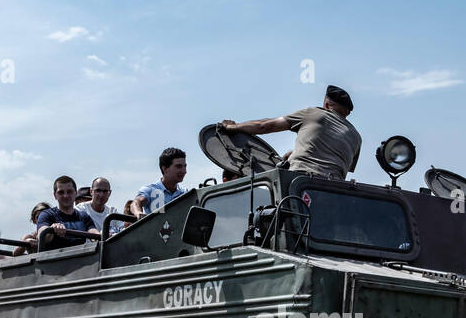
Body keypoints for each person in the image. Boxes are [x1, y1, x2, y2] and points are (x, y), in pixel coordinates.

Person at [220, 85, 361, 181]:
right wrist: (293, 154)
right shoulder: (356, 137)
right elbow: (332, 164)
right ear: (347, 113)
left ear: (326, 105)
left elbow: (265, 126)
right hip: (331, 190)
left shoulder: (314, 114)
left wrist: (233, 127)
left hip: (299, 181)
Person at [131, 148, 188, 218]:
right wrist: (138, 212)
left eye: (185, 166)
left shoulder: (186, 194)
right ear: (164, 168)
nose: (184, 171)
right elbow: (136, 202)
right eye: (178, 166)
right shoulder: (151, 190)